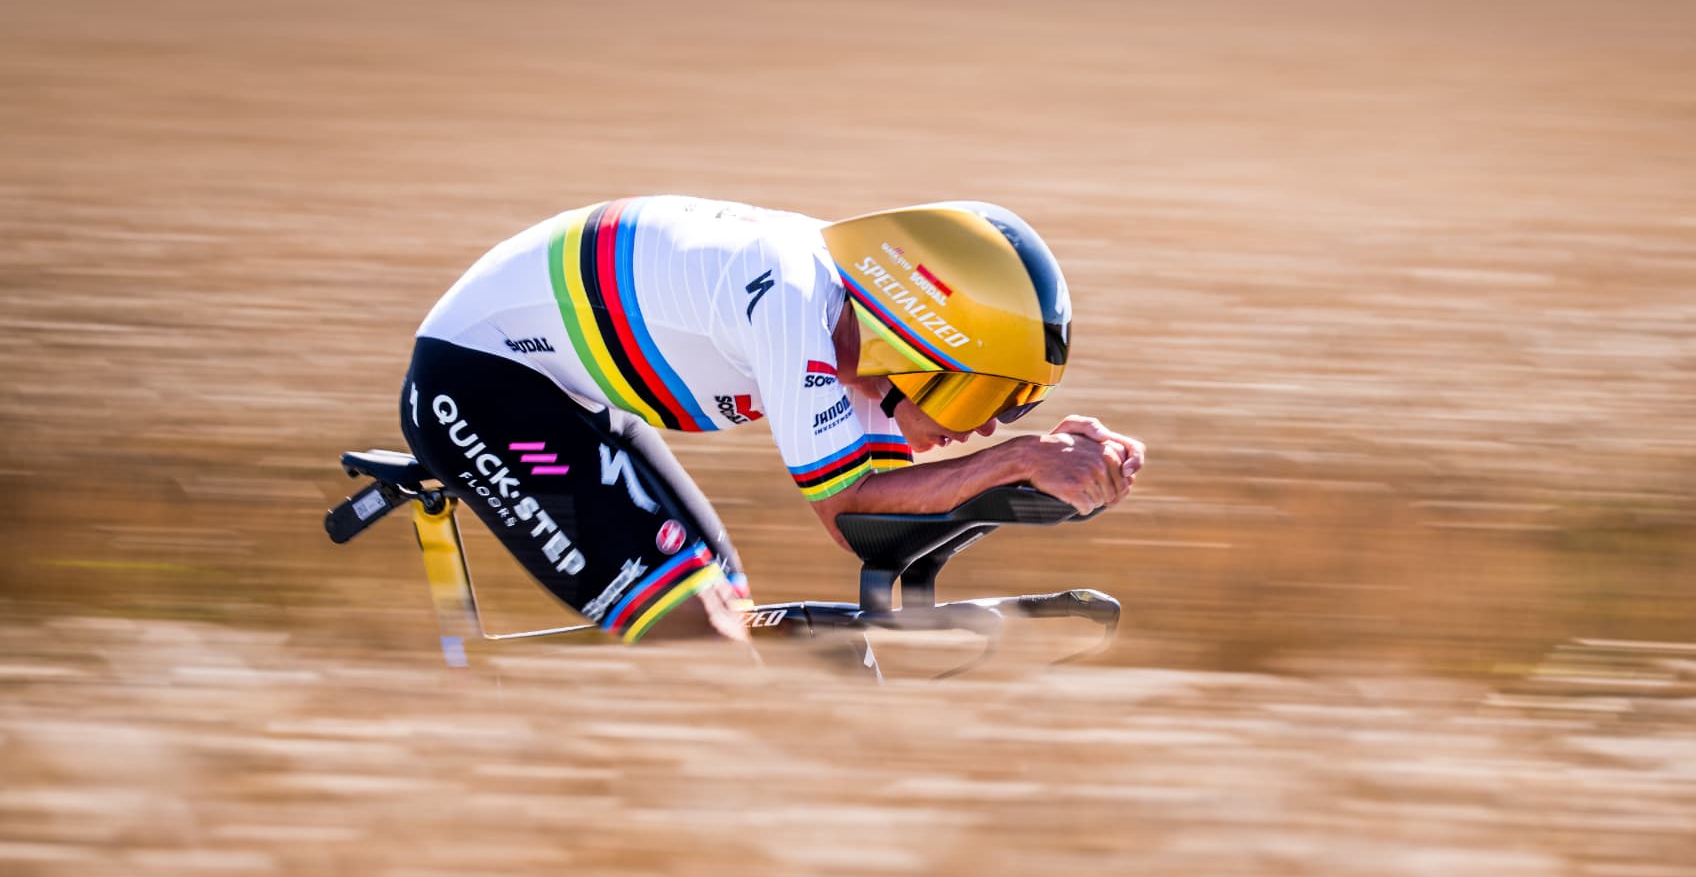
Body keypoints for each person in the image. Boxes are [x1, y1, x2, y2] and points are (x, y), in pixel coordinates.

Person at [399, 196, 1144, 644]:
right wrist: (1012, 463)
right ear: (912, 343)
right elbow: (852, 512)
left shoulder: (864, 329)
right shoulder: (794, 304)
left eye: (1008, 405)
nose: (977, 428)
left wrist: (1051, 479)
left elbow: (890, 530)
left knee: (731, 609)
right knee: (697, 629)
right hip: (478, 382)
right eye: (976, 397)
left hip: (569, 394)